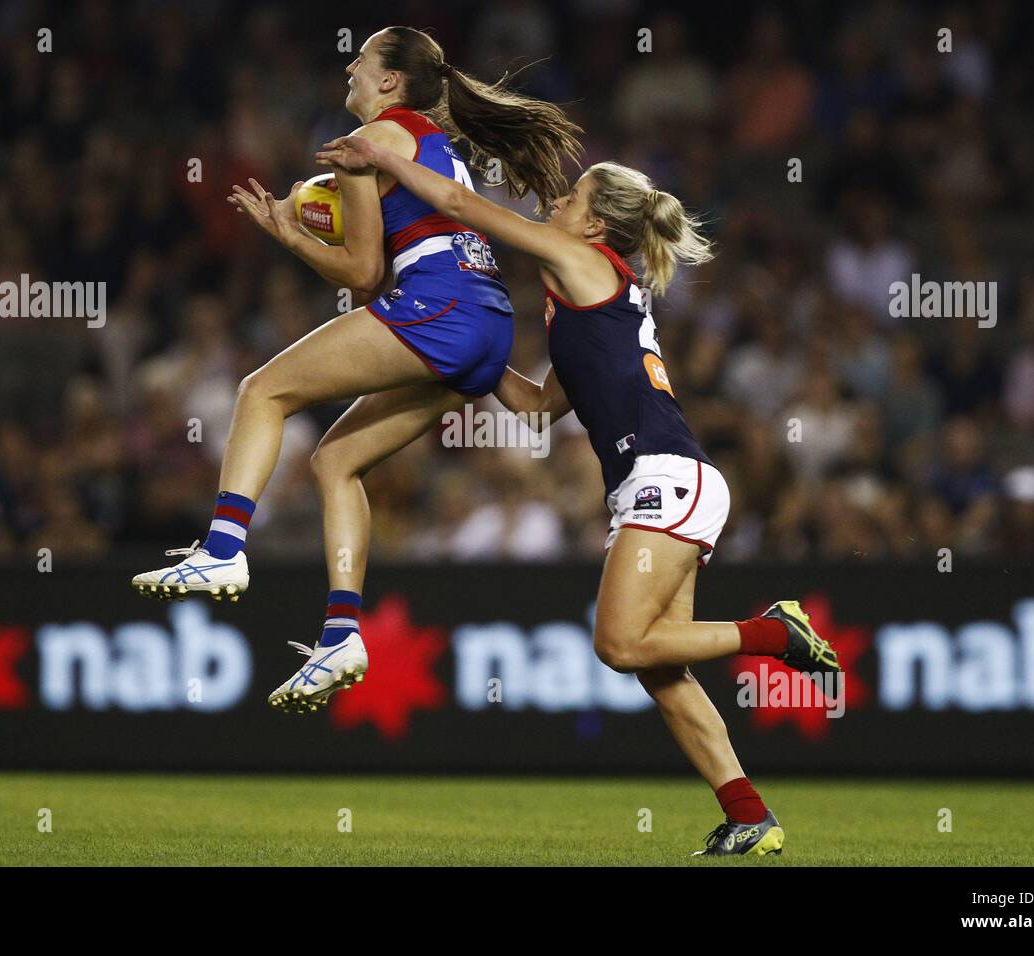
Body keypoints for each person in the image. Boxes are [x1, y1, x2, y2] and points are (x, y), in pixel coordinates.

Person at [317, 134, 841, 857]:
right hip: (665, 482)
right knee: (661, 669)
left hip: (666, 479)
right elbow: (536, 408)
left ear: (595, 226)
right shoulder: (587, 294)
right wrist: (474, 353)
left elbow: (464, 203)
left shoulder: (586, 262)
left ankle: (775, 634)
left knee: (620, 643)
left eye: (571, 197)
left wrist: (384, 164)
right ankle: (749, 814)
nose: (557, 202)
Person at [131, 26, 581, 715]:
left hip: (438, 305)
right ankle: (341, 633)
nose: (349, 63)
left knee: (262, 390)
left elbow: (366, 273)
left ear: (391, 81)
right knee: (336, 460)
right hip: (488, 318)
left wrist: (290, 235)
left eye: (362, 58)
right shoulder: (433, 146)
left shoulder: (365, 148)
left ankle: (223, 546)